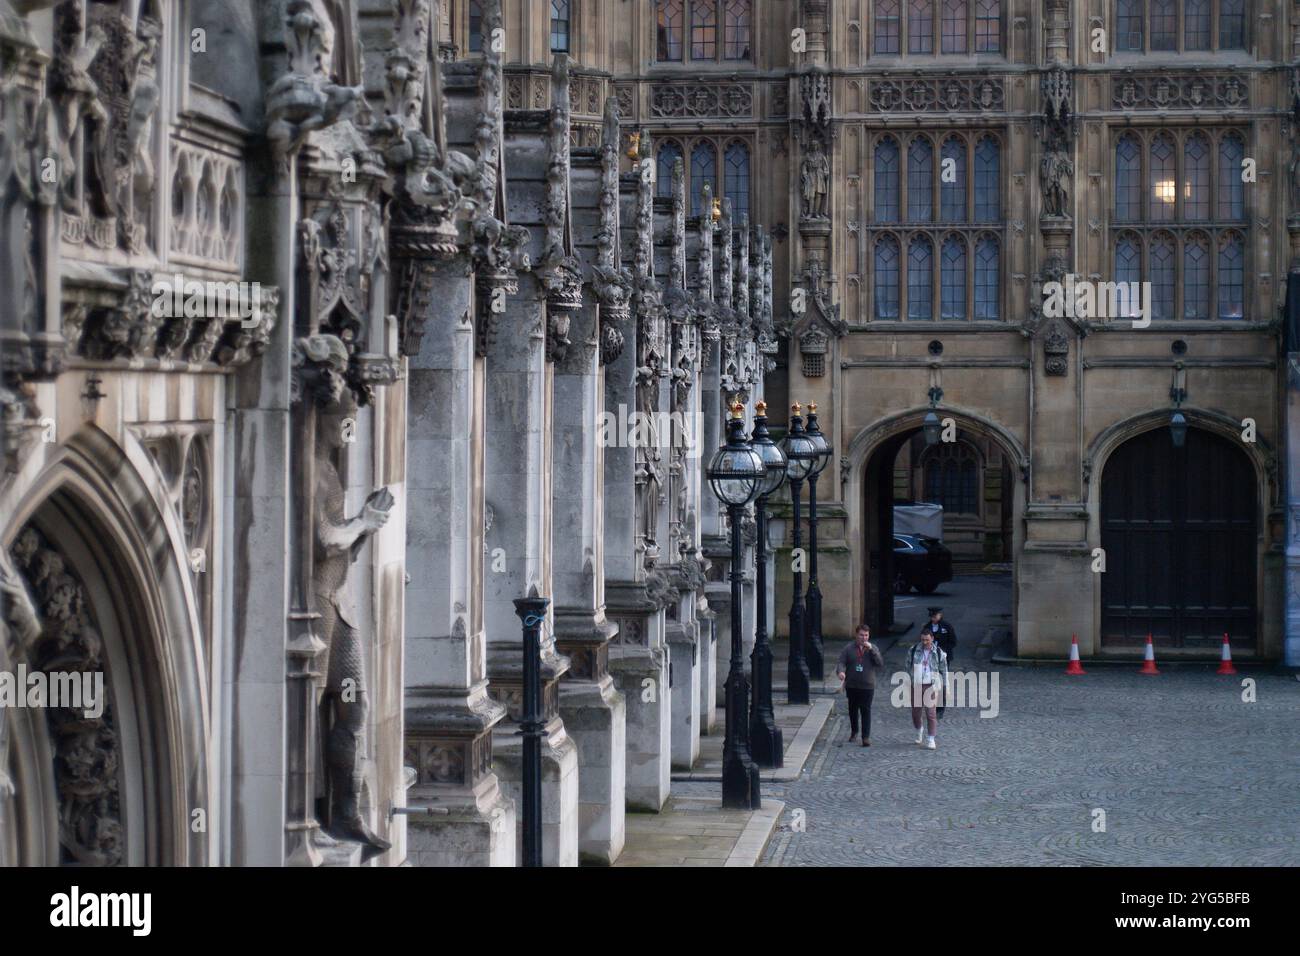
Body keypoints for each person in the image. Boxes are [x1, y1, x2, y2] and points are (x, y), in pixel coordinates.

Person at [835, 624, 883, 746]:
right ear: (856, 635)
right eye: (861, 635)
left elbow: (879, 663)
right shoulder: (849, 648)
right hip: (852, 684)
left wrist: (872, 650)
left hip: (867, 685)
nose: (864, 638)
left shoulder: (873, 648)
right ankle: (854, 731)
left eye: (866, 635)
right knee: (853, 709)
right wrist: (840, 671)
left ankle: (865, 737)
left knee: (866, 710)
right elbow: (841, 661)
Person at [906, 628, 948, 750]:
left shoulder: (939, 652)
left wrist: (945, 687)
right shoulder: (913, 650)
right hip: (917, 684)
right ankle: (919, 729)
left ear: (932, 639)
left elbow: (944, 670)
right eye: (923, 640)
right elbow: (907, 666)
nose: (925, 642)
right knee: (916, 712)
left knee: (931, 713)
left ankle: (931, 738)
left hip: (931, 685)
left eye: (927, 640)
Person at [926, 607, 957, 719]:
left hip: (943, 659)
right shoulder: (927, 627)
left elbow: (953, 642)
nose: (933, 618)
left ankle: (940, 708)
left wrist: (943, 651)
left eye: (935, 616)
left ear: (940, 615)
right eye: (932, 617)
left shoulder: (947, 626)